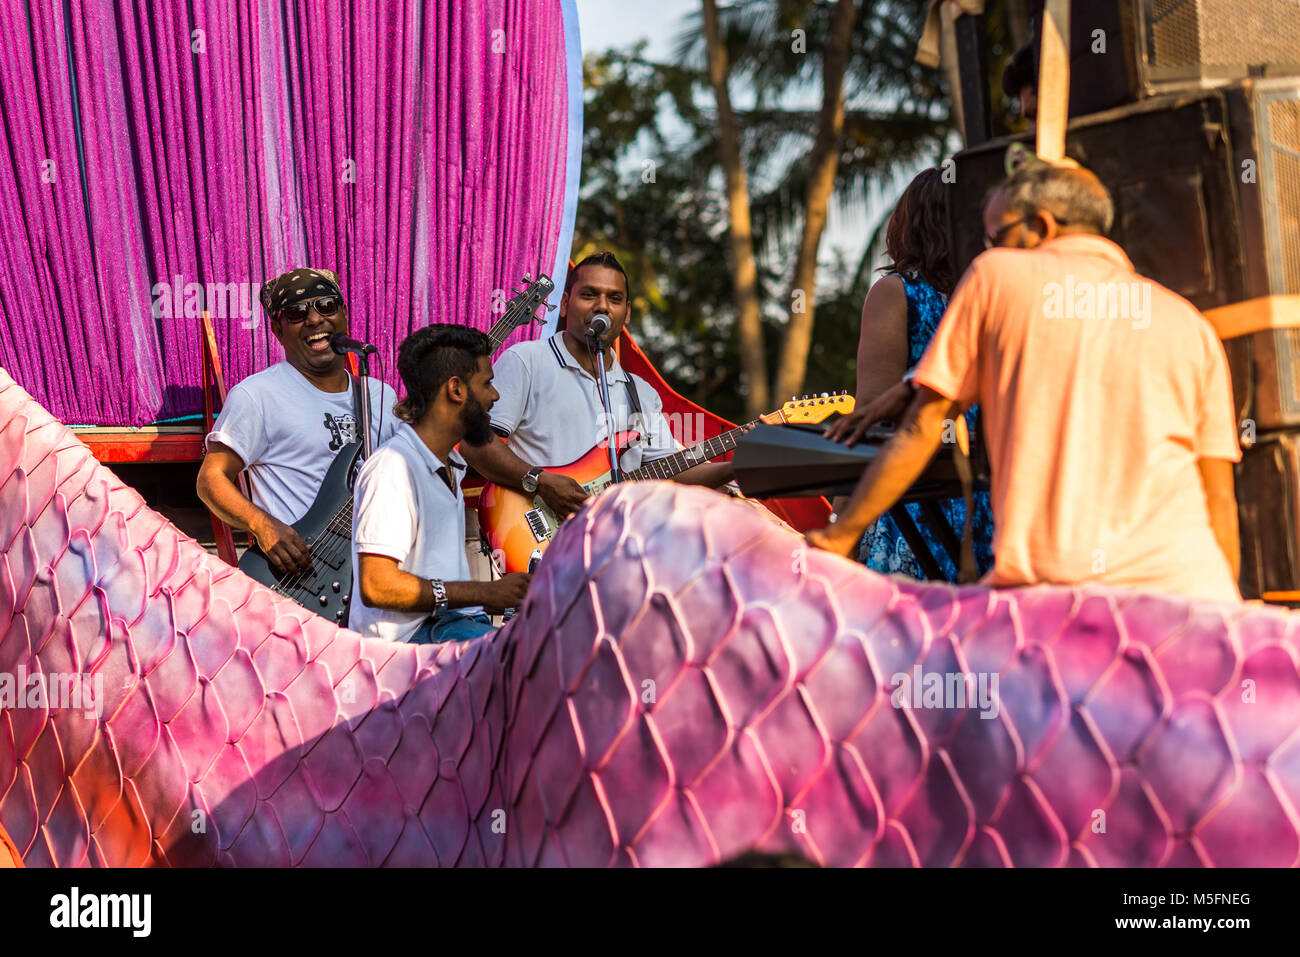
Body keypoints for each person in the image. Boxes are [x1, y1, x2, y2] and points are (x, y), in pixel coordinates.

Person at [810, 160, 1242, 603]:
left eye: (996, 236)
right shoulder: (1187, 322)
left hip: (1065, 599)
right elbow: (1220, 499)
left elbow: (920, 429)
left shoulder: (999, 274)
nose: (985, 248)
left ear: (1041, 225)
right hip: (1194, 593)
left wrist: (838, 537)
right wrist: (1230, 619)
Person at [459, 251, 735, 521]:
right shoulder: (526, 360)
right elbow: (475, 444)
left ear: (626, 313)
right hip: (536, 536)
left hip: (612, 545)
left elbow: (671, 472)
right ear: (566, 304)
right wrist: (539, 481)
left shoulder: (641, 393)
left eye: (614, 299)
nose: (602, 306)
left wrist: (737, 466)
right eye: (589, 295)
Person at [832, 167, 994, 581]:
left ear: (911, 223)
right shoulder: (994, 292)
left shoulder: (898, 292)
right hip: (989, 489)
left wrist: (844, 508)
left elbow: (871, 410)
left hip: (921, 490)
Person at [197, 268, 399, 576]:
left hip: (373, 574)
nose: (315, 319)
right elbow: (210, 479)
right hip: (302, 576)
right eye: (296, 313)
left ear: (343, 313)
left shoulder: (380, 394)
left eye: (326, 306)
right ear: (278, 330)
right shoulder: (258, 396)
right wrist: (263, 526)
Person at [349, 324, 530, 644]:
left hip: (450, 626)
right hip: (406, 649)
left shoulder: (450, 465)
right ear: (456, 389)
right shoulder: (393, 468)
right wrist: (486, 592)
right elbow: (377, 585)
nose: (495, 395)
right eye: (487, 383)